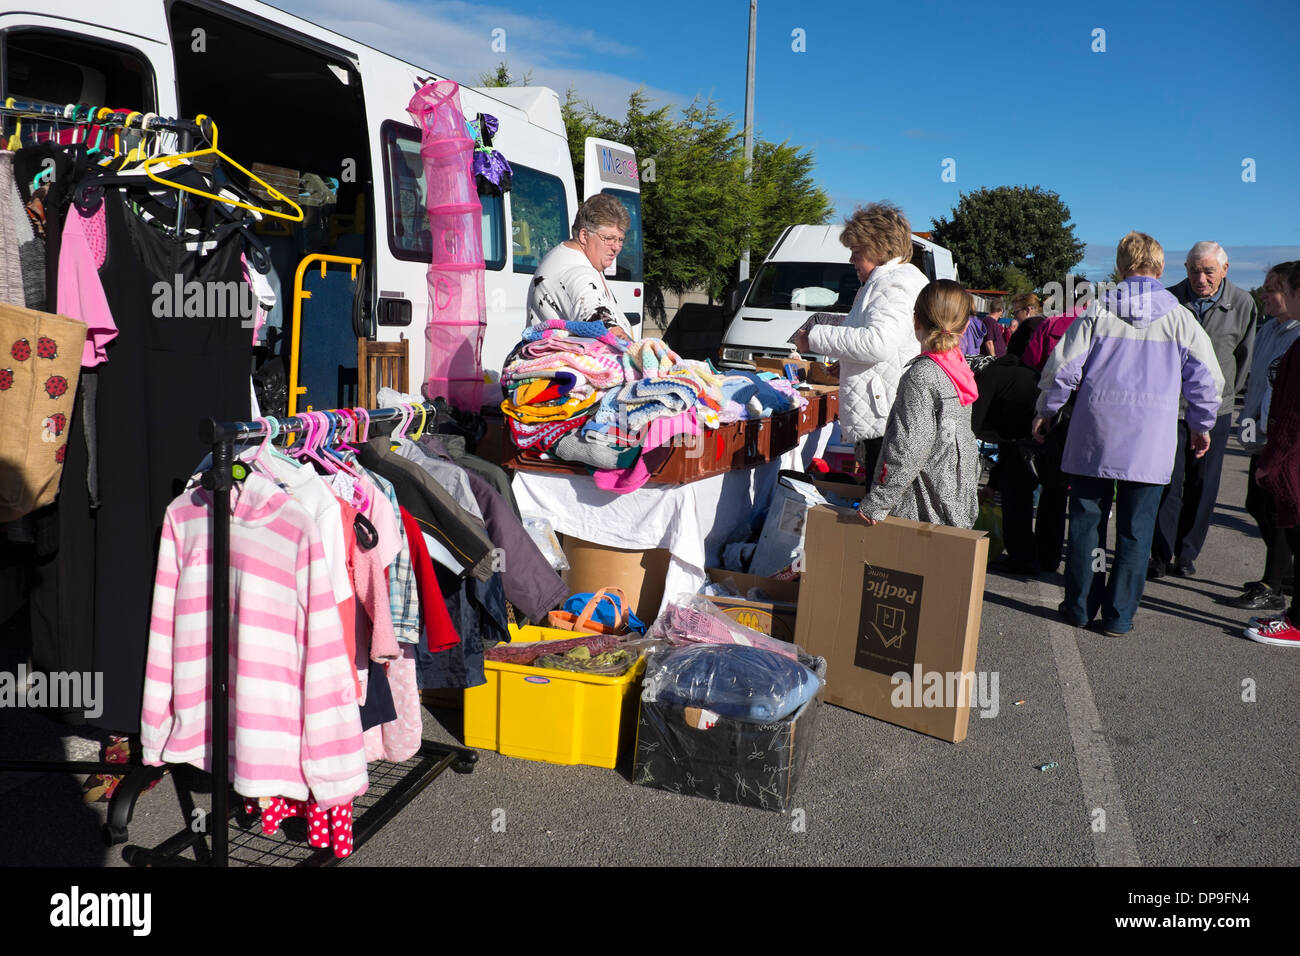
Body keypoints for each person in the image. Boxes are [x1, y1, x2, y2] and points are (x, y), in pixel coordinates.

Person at [1033, 232, 1223, 636]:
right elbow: (1207, 381)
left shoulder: (1097, 311)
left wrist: (1046, 412)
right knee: (1137, 531)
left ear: (1121, 268)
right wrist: (1201, 426)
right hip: (1150, 441)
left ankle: (1080, 607)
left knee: (1086, 524)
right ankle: (1119, 616)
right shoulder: (1180, 318)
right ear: (1160, 269)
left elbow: (1063, 370)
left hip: (1094, 436)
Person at [791, 201, 929, 486]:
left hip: (888, 417)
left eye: (856, 252)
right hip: (887, 412)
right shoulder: (887, 281)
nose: (851, 260)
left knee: (881, 506)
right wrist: (848, 364)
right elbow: (880, 341)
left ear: (878, 247)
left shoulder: (893, 284)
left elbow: (879, 343)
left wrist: (814, 337)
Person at [1149, 241, 1258, 578]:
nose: (1201, 277)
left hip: (1216, 411)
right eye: (1194, 270)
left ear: (1224, 270)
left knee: (1204, 483)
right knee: (1167, 481)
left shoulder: (1242, 303)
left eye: (1209, 271)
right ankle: (1160, 553)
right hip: (1170, 409)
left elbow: (1245, 357)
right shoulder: (1166, 300)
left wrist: (1223, 396)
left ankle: (1186, 552)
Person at [857, 280, 980, 528]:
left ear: (916, 321)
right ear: (965, 326)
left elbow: (909, 447)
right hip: (955, 497)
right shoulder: (957, 369)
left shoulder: (922, 375)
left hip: (924, 506)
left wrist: (878, 502)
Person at [1233, 262, 1299, 611]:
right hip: (1260, 432)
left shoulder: (1296, 335)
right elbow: (1256, 382)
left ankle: (1272, 583)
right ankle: (1282, 571)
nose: (1264, 294)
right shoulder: (1270, 329)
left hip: (1284, 440)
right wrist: (1247, 423)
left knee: (1278, 510)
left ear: (1291, 294)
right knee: (1256, 504)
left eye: (1272, 288)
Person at [525, 193, 632, 336]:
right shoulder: (579, 273)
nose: (616, 247)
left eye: (620, 240)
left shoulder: (561, 256)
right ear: (584, 236)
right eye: (609, 238)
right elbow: (606, 330)